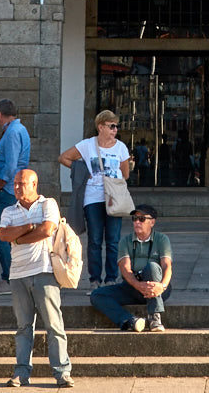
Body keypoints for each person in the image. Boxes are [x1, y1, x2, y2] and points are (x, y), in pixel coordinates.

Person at [0, 168, 69, 388]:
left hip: (44, 271)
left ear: (34, 184)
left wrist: (18, 237)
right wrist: (29, 227)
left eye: (22, 183)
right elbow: (3, 235)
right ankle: (21, 372)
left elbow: (46, 230)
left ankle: (62, 372)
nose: (17, 187)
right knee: (23, 327)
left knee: (54, 325)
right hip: (18, 274)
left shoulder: (48, 204)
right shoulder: (9, 210)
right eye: (16, 184)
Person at [57, 110, 133, 290]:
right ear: (101, 127)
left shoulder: (121, 147)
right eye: (111, 126)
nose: (115, 130)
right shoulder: (87, 145)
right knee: (95, 240)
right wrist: (83, 172)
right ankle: (95, 279)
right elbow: (63, 158)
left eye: (116, 126)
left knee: (113, 240)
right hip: (92, 197)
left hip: (114, 198)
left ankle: (111, 278)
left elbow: (125, 173)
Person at [89, 205, 171, 333]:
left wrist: (163, 286)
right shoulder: (125, 241)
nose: (137, 222)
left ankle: (154, 317)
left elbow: (167, 266)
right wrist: (137, 285)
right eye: (134, 219)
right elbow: (125, 268)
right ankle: (130, 320)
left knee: (152, 267)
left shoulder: (162, 239)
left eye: (142, 219)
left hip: (158, 287)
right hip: (133, 286)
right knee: (97, 295)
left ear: (152, 222)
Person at [0, 100, 29, 293]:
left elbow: (11, 165)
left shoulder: (12, 132)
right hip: (10, 188)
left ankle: (10, 277)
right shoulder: (18, 129)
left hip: (7, 189)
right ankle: (13, 276)